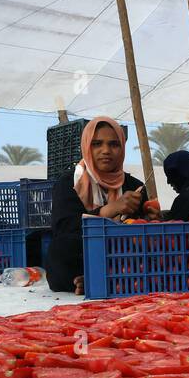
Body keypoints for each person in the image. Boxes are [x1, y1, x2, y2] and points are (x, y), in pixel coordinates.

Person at [45, 117, 146, 293]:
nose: (105, 151)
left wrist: (151, 218)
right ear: (86, 146)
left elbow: (145, 230)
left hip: (123, 258)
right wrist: (109, 210)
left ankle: (107, 278)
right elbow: (64, 227)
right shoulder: (69, 183)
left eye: (114, 144)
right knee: (61, 248)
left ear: (122, 148)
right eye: (97, 144)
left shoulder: (134, 186)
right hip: (83, 257)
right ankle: (93, 278)